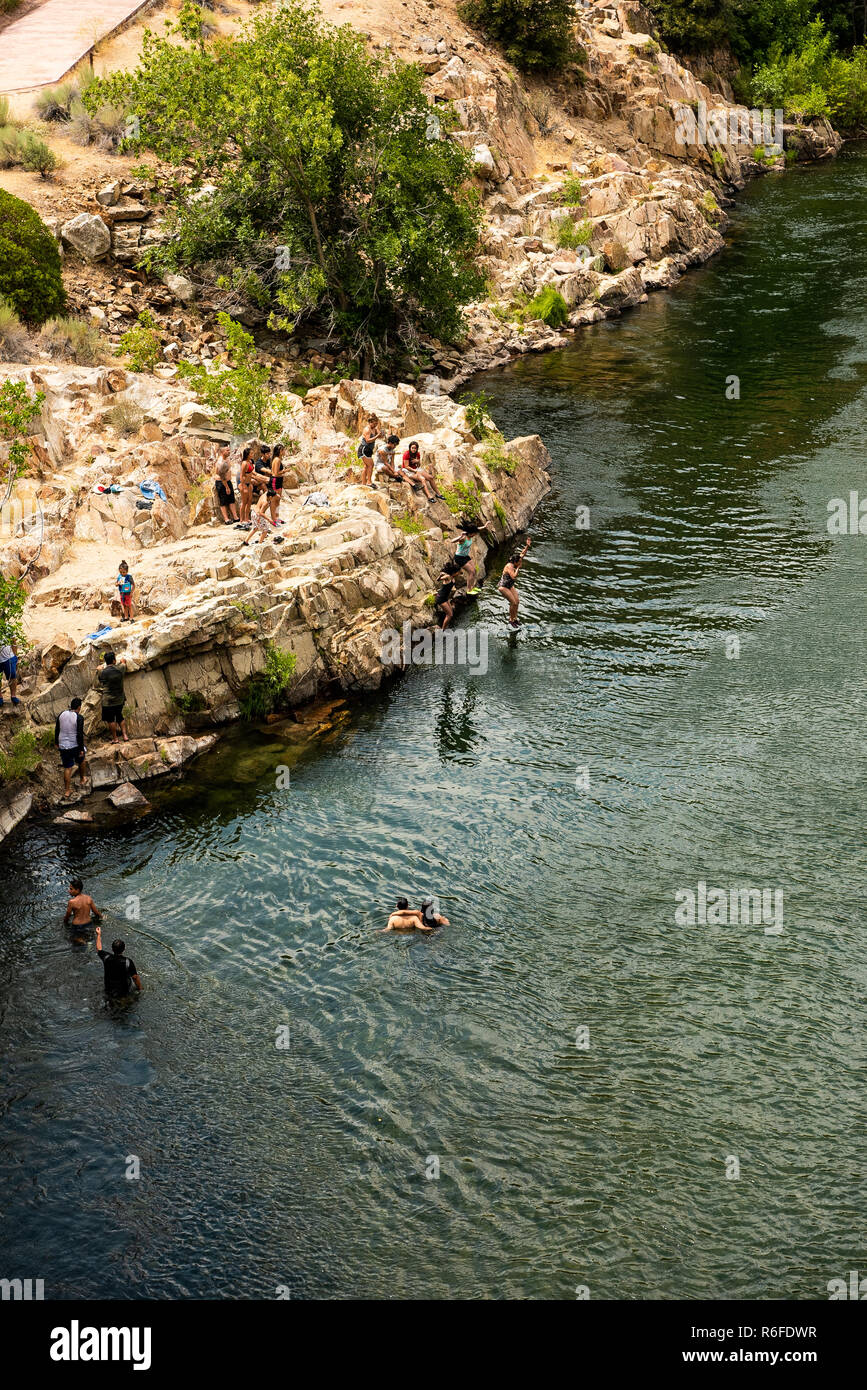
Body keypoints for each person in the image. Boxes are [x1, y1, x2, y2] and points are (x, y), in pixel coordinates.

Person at [94, 922, 142, 996]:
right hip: (123, 992)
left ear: (112, 949)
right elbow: (135, 977)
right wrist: (140, 988)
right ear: (124, 949)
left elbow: (99, 949)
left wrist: (99, 935)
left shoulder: (106, 957)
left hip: (109, 989)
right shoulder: (127, 962)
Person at [55, 697, 89, 798]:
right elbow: (79, 735)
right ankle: (82, 779)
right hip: (74, 745)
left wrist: (56, 742)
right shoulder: (79, 717)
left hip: (63, 745)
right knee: (81, 760)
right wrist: (81, 749)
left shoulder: (61, 714)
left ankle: (67, 790)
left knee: (67, 767)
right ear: (79, 707)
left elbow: (57, 729)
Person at [498, 537, 531, 628]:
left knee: (517, 601)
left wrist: (527, 546)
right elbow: (513, 576)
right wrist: (518, 568)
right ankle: (511, 620)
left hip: (510, 585)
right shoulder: (510, 566)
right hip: (503, 586)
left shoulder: (515, 561)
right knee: (513, 603)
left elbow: (522, 554)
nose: (521, 563)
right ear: (515, 562)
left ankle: (515, 618)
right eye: (519, 562)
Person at [97, 650, 128, 743]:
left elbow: (100, 675)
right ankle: (125, 736)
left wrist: (99, 668)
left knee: (111, 720)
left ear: (106, 662)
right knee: (120, 717)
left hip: (108, 701)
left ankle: (115, 739)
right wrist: (122, 661)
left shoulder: (103, 672)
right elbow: (123, 662)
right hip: (120, 699)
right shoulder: (120, 669)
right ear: (114, 661)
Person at [443, 527, 478, 591]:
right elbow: (452, 541)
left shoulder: (470, 536)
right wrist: (460, 536)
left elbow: (477, 528)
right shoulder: (463, 538)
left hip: (466, 556)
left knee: (475, 570)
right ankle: (469, 589)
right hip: (459, 558)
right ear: (470, 533)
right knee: (471, 571)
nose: (474, 535)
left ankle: (472, 586)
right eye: (474, 533)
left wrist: (485, 526)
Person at [358, 416, 381, 486]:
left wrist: (378, 432)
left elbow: (379, 433)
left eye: (376, 424)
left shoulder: (374, 428)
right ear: (370, 423)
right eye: (374, 424)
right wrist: (377, 436)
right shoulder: (367, 430)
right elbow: (368, 440)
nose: (375, 425)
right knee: (371, 465)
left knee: (366, 466)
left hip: (369, 450)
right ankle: (369, 482)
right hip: (364, 449)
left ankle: (364, 483)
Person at [267, 443, 285, 524]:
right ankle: (273, 518)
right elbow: (275, 473)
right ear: (280, 451)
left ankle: (277, 517)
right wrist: (285, 471)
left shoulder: (277, 459)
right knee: (274, 500)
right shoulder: (277, 460)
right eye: (283, 450)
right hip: (275, 481)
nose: (284, 451)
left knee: (278, 500)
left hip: (279, 481)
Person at [0, 638, 20, 707]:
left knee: (12, 676)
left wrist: (15, 656)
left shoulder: (7, 627)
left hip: (9, 658)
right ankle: (0, 697)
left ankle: (13, 696)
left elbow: (14, 641)